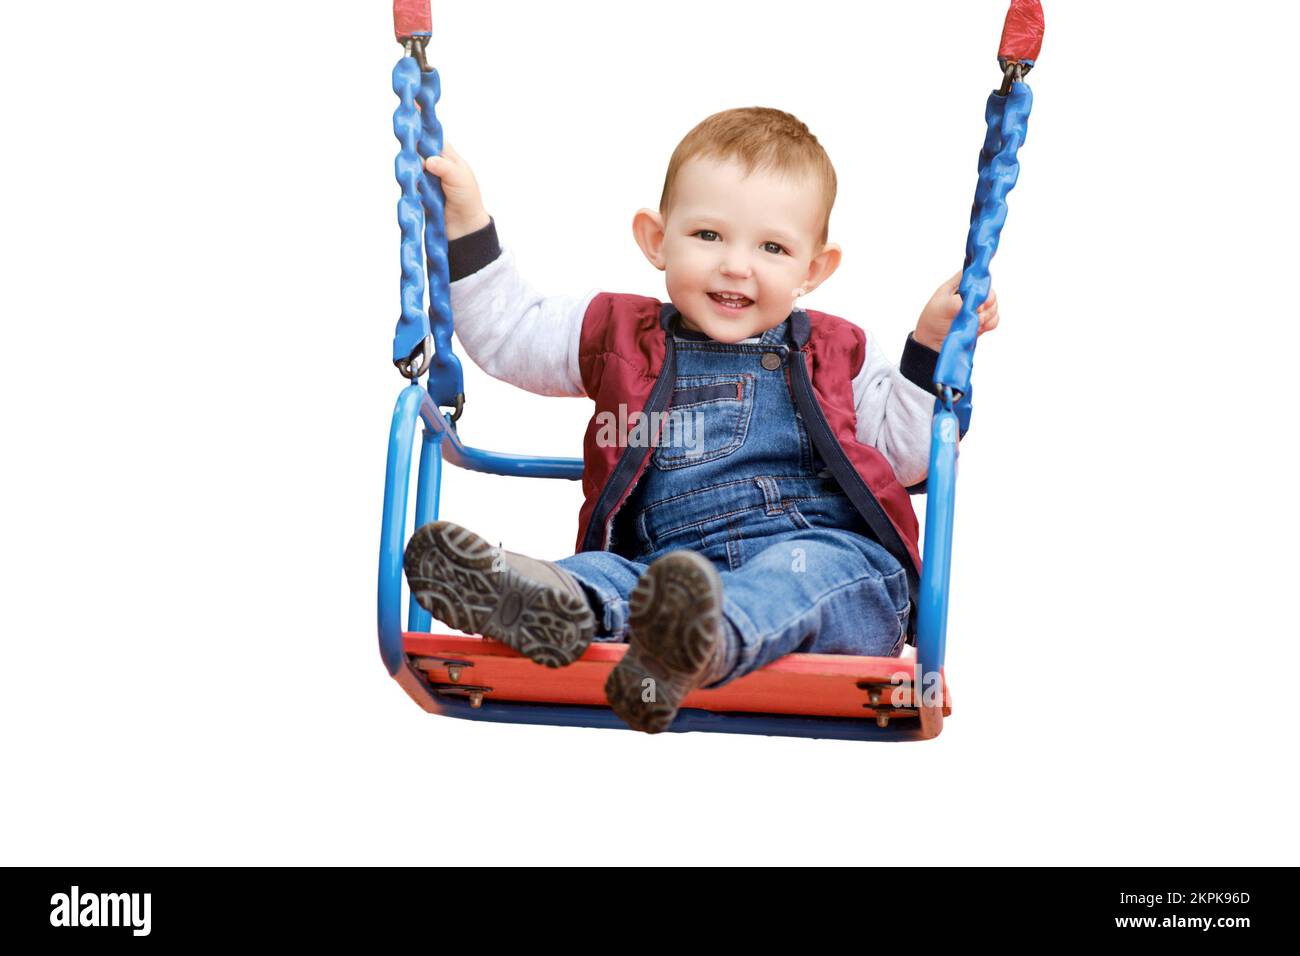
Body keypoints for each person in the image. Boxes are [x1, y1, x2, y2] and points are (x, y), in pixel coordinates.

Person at [403, 107, 999, 733]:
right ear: (657, 239)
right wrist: (466, 224)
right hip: (666, 578)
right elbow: (510, 332)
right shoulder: (617, 334)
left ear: (812, 271)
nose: (736, 265)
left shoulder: (838, 350)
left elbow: (907, 456)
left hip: (825, 561)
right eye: (708, 236)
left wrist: (934, 342)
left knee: (812, 576)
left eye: (772, 247)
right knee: (608, 578)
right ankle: (535, 598)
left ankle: (701, 639)